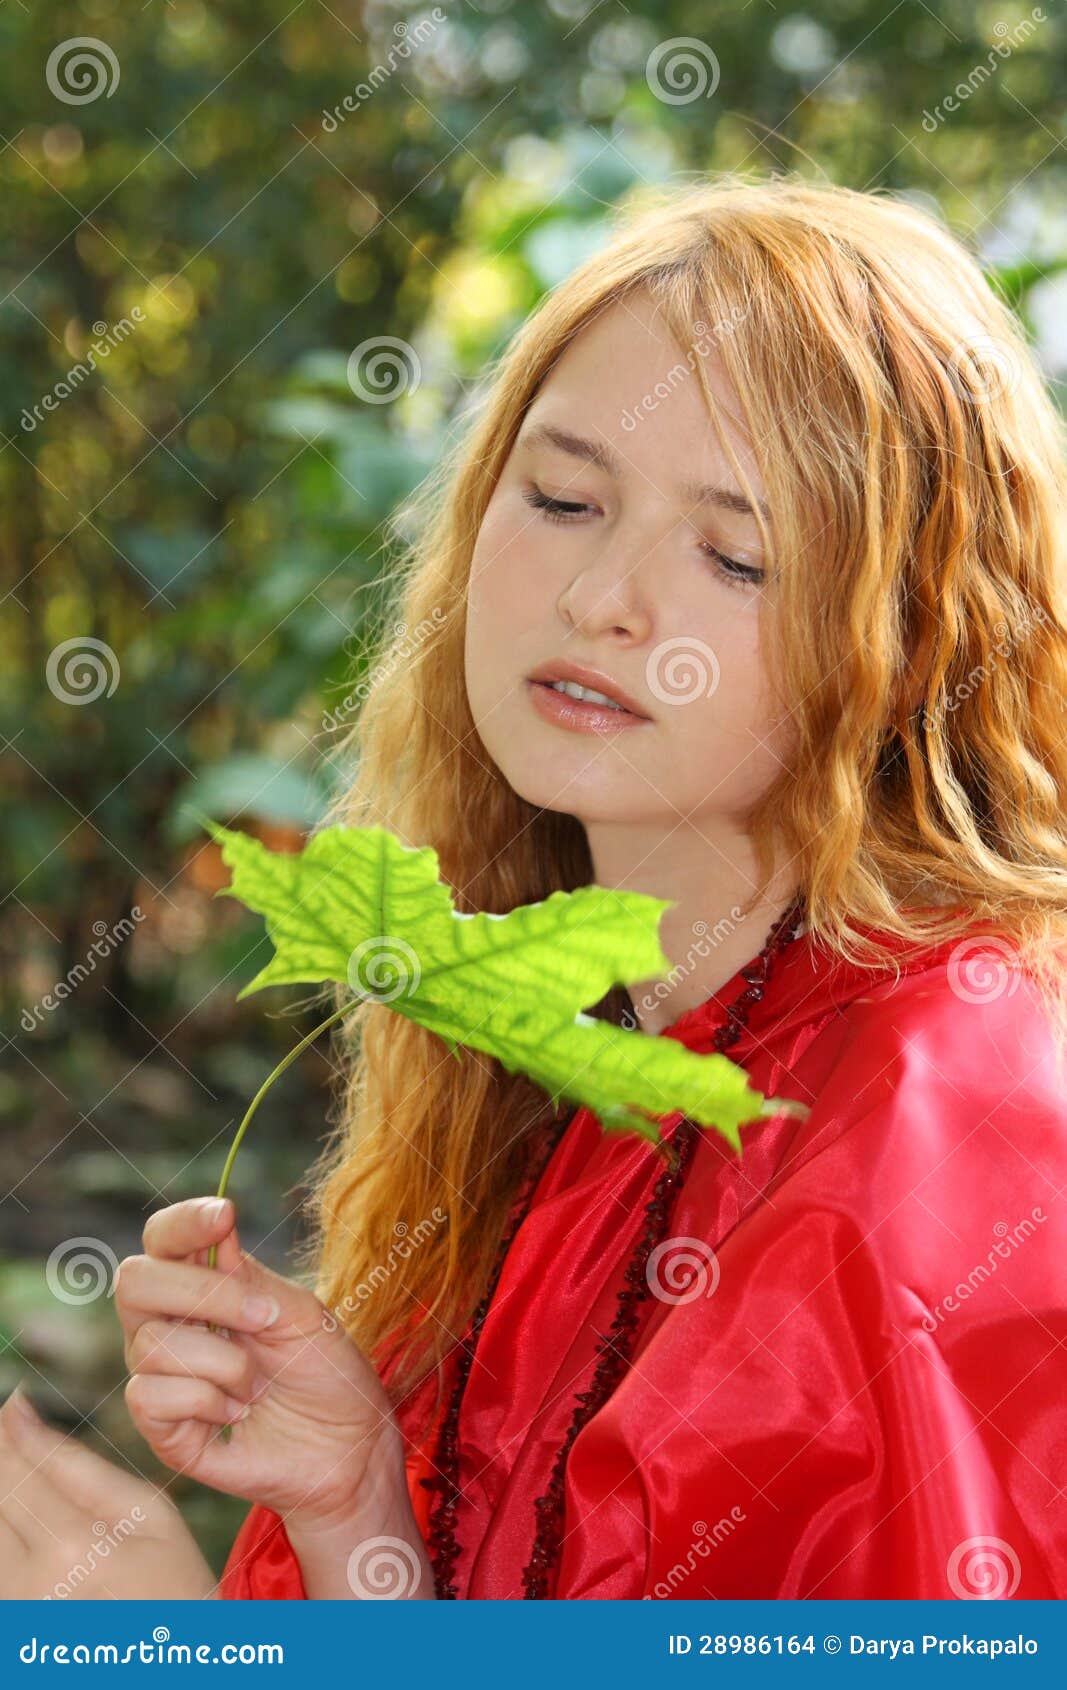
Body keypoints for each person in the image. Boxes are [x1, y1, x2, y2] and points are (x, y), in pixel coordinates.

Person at [4, 172, 1067, 1601]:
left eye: (735, 553)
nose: (602, 599)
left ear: (913, 640)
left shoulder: (957, 1124)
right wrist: (359, 1507)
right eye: (563, 496)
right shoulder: (590, 1049)